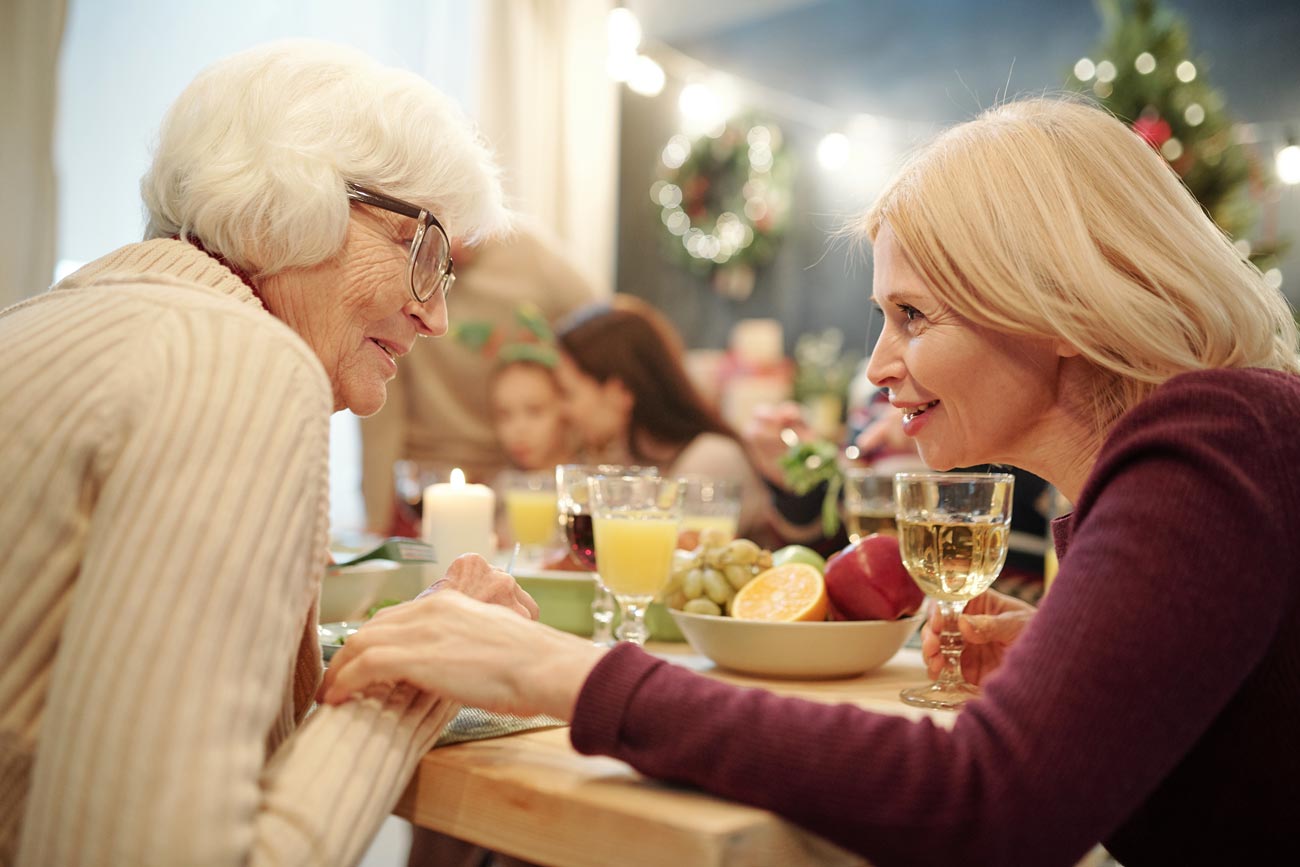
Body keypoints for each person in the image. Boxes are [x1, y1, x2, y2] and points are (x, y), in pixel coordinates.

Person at [321, 96, 1300, 866]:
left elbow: (985, 808)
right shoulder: (1195, 449)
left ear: (1052, 307)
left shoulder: (1207, 437)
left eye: (912, 316)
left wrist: (559, 672)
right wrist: (1067, 651)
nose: (876, 366)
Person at [0, 39, 540, 866]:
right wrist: (419, 674)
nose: (435, 318)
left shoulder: (34, 326)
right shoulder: (235, 361)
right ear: (301, 199)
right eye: (423, 249)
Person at [360, 225, 597, 535]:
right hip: (428, 481)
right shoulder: (396, 272)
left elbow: (601, 340)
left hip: (514, 474)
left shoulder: (532, 257)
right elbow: (381, 415)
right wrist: (376, 521)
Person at [554, 295, 772, 539]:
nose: (563, 411)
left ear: (619, 392)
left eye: (568, 393)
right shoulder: (629, 459)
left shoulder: (708, 460)